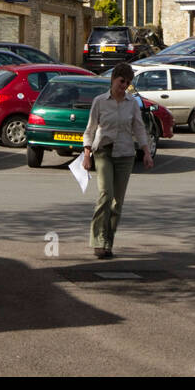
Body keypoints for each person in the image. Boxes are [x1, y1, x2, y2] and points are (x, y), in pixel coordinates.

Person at [82, 62, 153, 258]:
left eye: (128, 83)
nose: (124, 86)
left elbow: (139, 128)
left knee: (116, 203)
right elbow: (89, 130)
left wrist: (146, 152)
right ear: (113, 79)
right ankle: (98, 241)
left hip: (125, 154)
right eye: (122, 81)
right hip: (103, 152)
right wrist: (87, 155)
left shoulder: (132, 103)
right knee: (105, 195)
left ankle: (108, 242)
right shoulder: (100, 101)